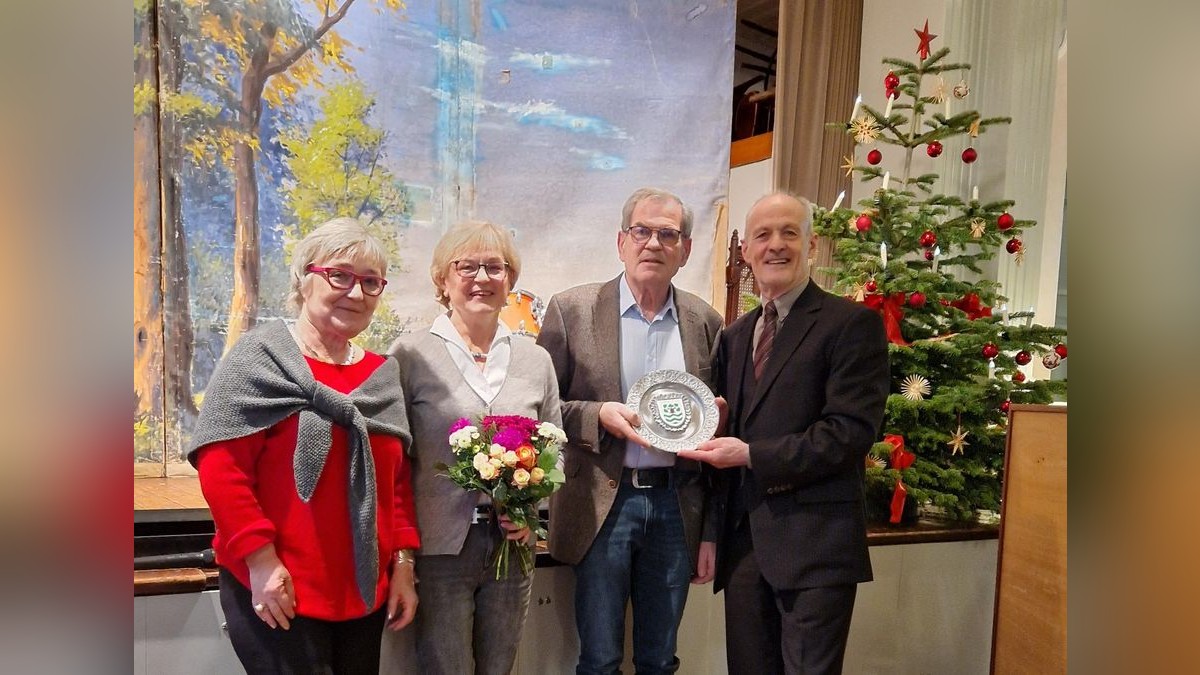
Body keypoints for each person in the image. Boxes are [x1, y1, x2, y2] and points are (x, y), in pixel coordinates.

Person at [189, 217, 420, 674]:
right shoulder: (259, 359)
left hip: (362, 590)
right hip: (279, 586)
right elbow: (222, 471)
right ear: (304, 278)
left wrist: (404, 565)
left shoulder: (382, 375)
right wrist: (261, 561)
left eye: (370, 282)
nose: (355, 293)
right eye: (340, 276)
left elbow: (394, 485)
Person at [677, 192, 890, 674]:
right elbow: (721, 435)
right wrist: (710, 533)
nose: (776, 245)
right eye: (763, 235)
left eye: (789, 233)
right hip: (744, 549)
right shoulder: (733, 337)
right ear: (747, 252)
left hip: (816, 547)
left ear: (811, 244)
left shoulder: (852, 324)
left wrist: (751, 454)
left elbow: (850, 433)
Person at [537, 187, 724, 675]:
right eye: (642, 231)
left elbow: (717, 425)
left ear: (684, 250)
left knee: (660, 660)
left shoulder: (707, 321)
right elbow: (541, 408)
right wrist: (596, 415)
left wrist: (711, 531)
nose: (654, 243)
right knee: (598, 659)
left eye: (668, 234)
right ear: (621, 241)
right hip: (602, 506)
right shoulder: (570, 310)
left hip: (676, 506)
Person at [388, 220, 562, 675]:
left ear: (510, 280)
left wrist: (528, 510)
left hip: (512, 546)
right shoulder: (410, 354)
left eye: (494, 267)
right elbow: (393, 461)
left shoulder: (535, 359)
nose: (482, 278)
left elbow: (555, 451)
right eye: (466, 267)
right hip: (440, 548)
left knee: (500, 669)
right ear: (443, 280)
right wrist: (401, 555)